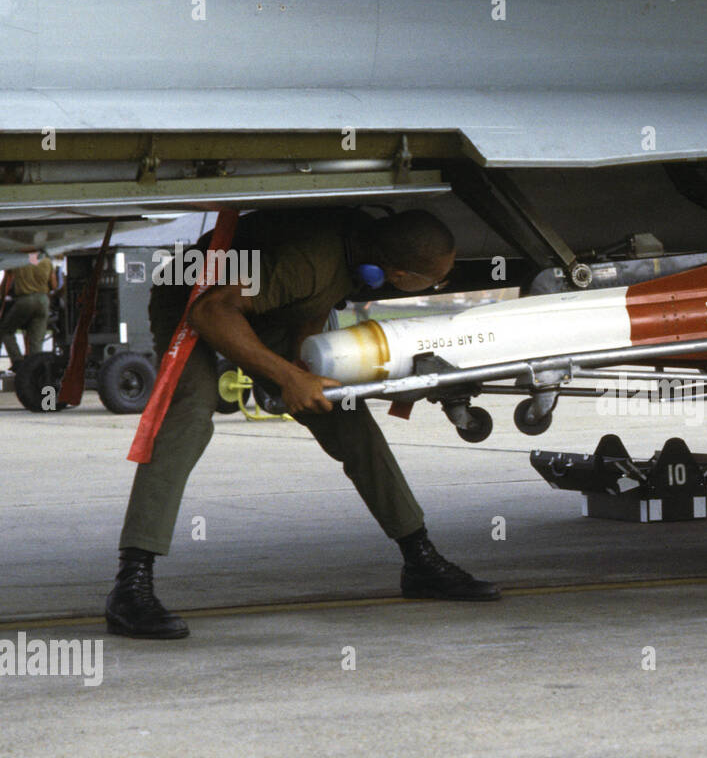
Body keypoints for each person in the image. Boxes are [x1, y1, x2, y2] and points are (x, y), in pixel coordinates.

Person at [106, 208, 500, 640]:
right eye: (436, 281)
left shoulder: (363, 245)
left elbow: (317, 302)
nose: (439, 285)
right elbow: (213, 311)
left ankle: (420, 558)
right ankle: (131, 584)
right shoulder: (310, 263)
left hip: (261, 303)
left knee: (346, 415)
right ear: (402, 276)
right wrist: (290, 377)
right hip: (195, 294)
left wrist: (301, 359)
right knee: (189, 417)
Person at [1, 253, 58, 368]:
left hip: (24, 301)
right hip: (43, 301)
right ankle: (33, 368)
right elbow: (54, 285)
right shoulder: (46, 260)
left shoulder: (19, 259)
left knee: (5, 331)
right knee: (36, 340)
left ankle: (17, 361)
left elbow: (6, 283)